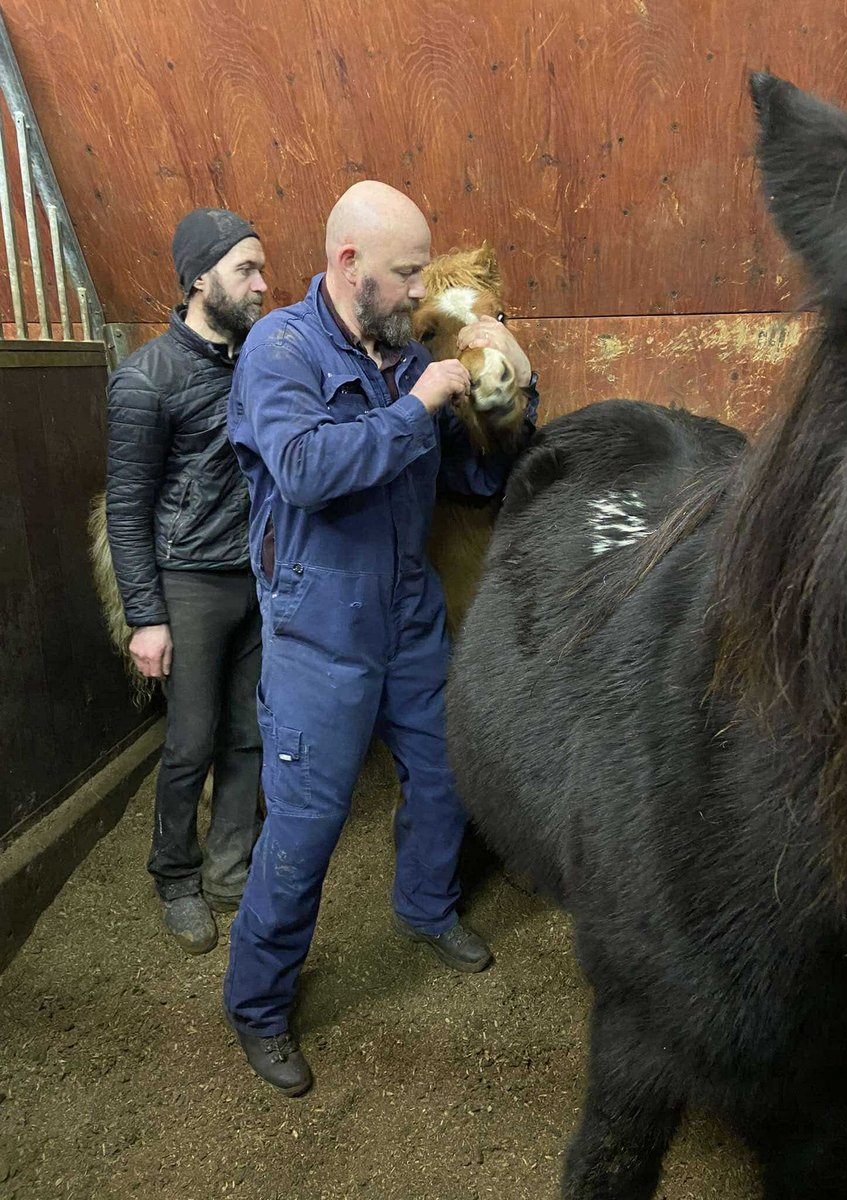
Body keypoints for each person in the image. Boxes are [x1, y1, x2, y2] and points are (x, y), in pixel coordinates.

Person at [222, 180, 539, 1096]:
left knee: (446, 775)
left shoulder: (402, 354)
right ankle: (258, 1005)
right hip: (319, 631)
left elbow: (468, 487)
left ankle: (427, 906)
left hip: (407, 614)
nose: (415, 291)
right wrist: (422, 403)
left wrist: (504, 405)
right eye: (404, 273)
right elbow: (308, 470)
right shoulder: (280, 349)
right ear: (349, 263)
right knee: (307, 828)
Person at [105, 209, 268, 955]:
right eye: (246, 270)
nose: (262, 284)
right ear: (200, 277)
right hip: (191, 586)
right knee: (189, 742)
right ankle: (175, 875)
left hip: (257, 578)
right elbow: (128, 510)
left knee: (250, 735)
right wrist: (146, 616)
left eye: (261, 269)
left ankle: (231, 870)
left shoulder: (260, 362)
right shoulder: (145, 379)